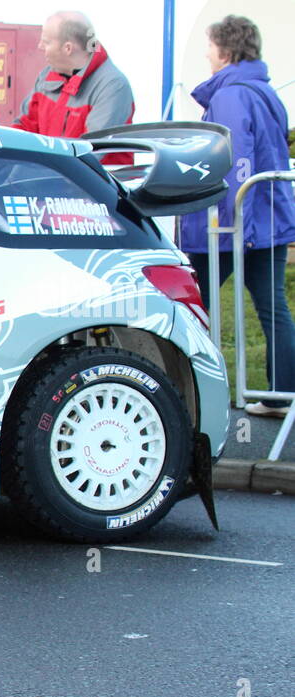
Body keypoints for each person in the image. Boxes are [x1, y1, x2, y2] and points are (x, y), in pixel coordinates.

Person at [180, 16, 295, 417]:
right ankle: (282, 394)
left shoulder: (230, 96)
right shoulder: (265, 92)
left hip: (232, 225)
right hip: (269, 220)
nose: (207, 55)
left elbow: (235, 162)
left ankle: (190, 398)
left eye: (210, 47)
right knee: (273, 308)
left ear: (225, 52)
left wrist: (231, 222)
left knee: (190, 305)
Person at [15, 11, 133, 139]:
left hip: (82, 160)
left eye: (46, 42)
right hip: (51, 160)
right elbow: (23, 129)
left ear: (68, 48)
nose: (40, 46)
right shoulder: (46, 77)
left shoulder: (112, 86)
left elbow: (91, 151)